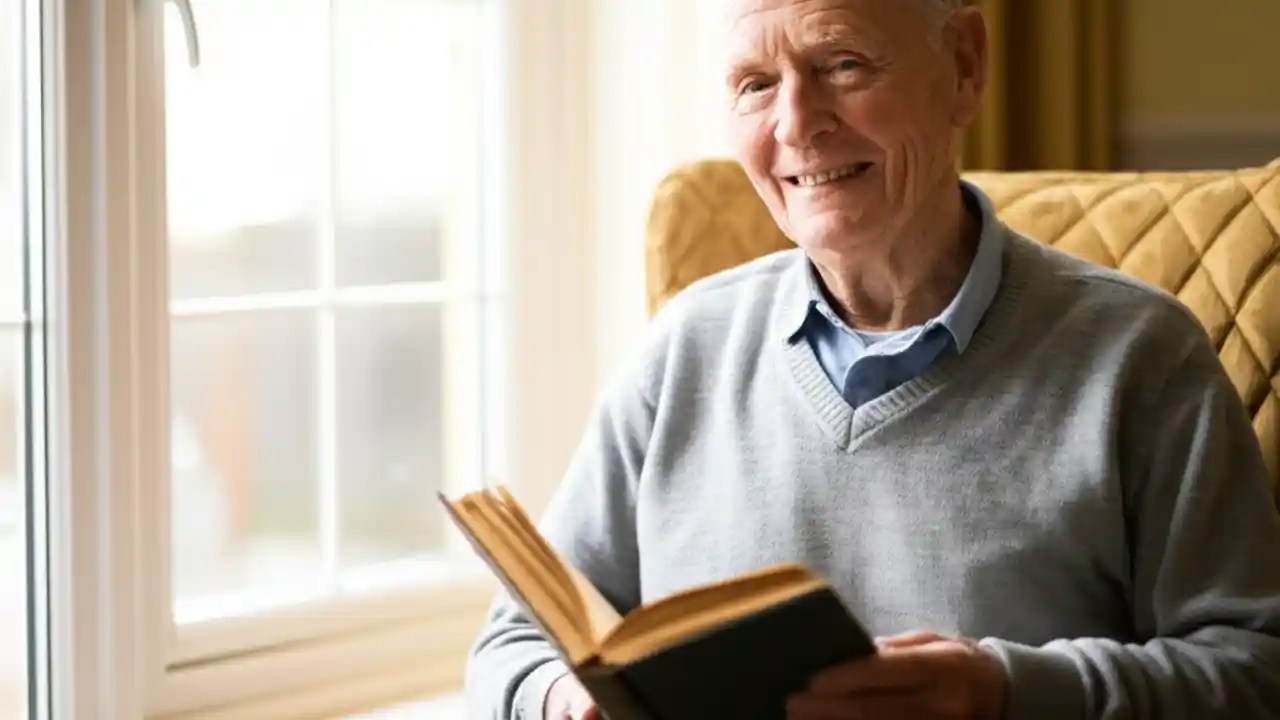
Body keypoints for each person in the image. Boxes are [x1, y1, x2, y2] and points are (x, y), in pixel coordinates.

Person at [467, 1, 1280, 718]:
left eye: (843, 64)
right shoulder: (685, 347)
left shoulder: (1142, 358)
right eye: (754, 83)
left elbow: (1256, 675)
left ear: (964, 67)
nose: (795, 123)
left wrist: (1005, 693)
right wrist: (563, 700)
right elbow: (512, 643)